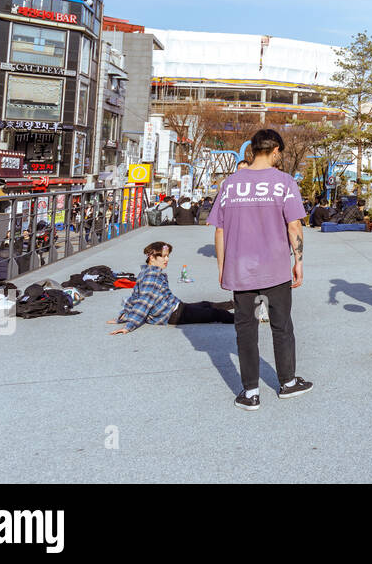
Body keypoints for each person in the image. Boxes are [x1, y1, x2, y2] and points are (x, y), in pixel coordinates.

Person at [208, 128, 312, 410]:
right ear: (276, 150)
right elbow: (294, 225)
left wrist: (222, 267)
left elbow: (219, 230)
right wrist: (299, 261)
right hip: (275, 270)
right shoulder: (284, 182)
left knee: (246, 331)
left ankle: (250, 392)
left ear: (251, 150)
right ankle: (288, 383)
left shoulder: (230, 184)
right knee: (281, 327)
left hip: (241, 272)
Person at [107, 241, 235, 334]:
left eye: (168, 256)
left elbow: (134, 297)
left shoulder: (146, 272)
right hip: (173, 315)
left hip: (177, 306)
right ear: (152, 258)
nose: (166, 259)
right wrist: (129, 325)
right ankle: (244, 318)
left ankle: (234, 304)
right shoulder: (151, 277)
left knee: (205, 304)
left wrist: (122, 317)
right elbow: (143, 303)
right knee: (214, 314)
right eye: (163, 256)